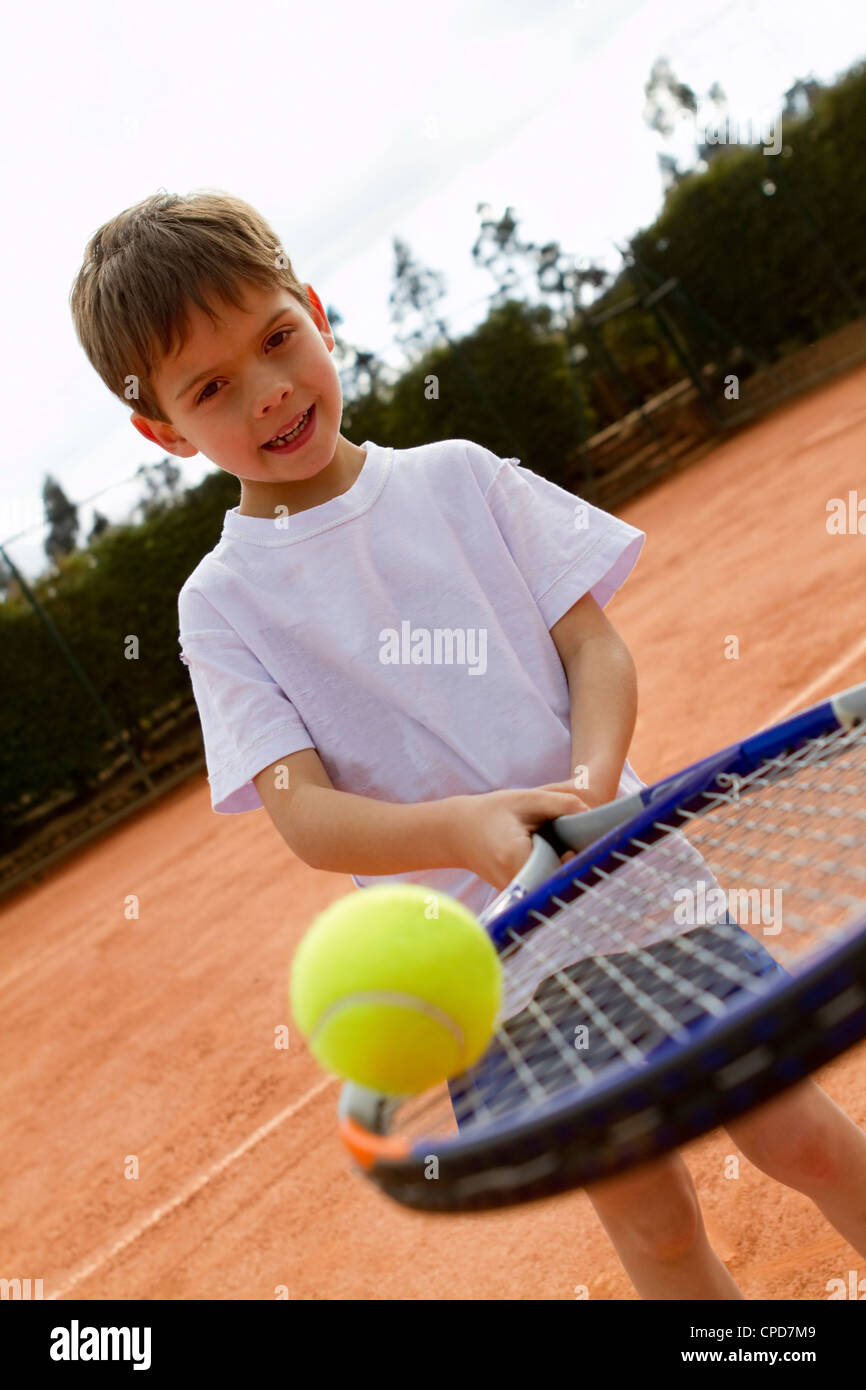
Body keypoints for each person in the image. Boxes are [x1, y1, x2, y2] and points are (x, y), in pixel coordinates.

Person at [70, 188, 866, 1299]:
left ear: (315, 310)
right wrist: (473, 833)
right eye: (210, 387)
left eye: (275, 339)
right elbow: (303, 813)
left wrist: (589, 788)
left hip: (634, 882)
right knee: (656, 1227)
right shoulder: (220, 605)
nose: (267, 392)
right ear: (162, 428)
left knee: (804, 1142)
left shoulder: (455, 475)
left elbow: (595, 650)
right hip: (486, 972)